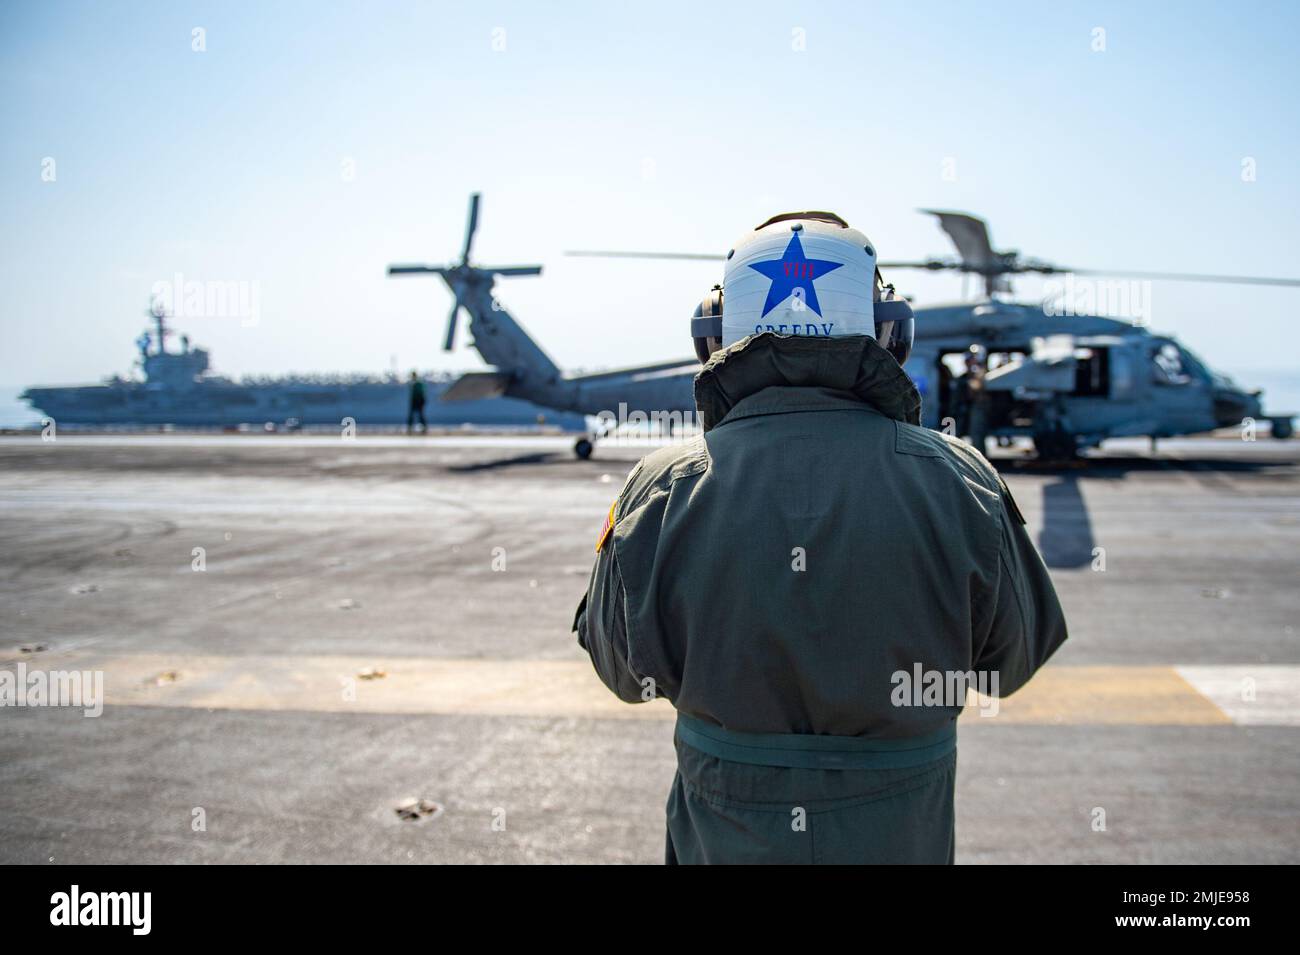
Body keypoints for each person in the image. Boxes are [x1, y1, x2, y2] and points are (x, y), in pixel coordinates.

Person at [572, 210, 1067, 864]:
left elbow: (621, 672)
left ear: (714, 335)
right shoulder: (960, 480)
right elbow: (1010, 666)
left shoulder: (660, 487)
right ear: (891, 335)